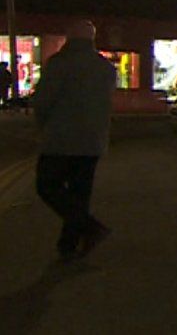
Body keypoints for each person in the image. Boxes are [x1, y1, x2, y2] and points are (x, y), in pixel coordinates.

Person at [32, 20, 116, 261]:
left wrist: (42, 127)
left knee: (47, 186)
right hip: (92, 141)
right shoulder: (106, 68)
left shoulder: (58, 64)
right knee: (80, 193)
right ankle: (68, 244)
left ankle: (89, 228)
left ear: (69, 39)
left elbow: (43, 102)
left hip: (59, 138)